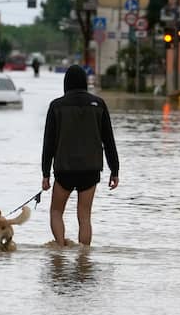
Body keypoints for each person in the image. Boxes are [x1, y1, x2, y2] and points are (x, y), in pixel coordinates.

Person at [41, 65, 120, 247]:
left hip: (64, 169)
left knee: (56, 212)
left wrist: (45, 173)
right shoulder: (99, 104)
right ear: (85, 82)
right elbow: (109, 140)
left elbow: (48, 143)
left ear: (66, 83)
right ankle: (84, 257)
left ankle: (60, 250)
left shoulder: (56, 106)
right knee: (84, 217)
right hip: (90, 169)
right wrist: (114, 170)